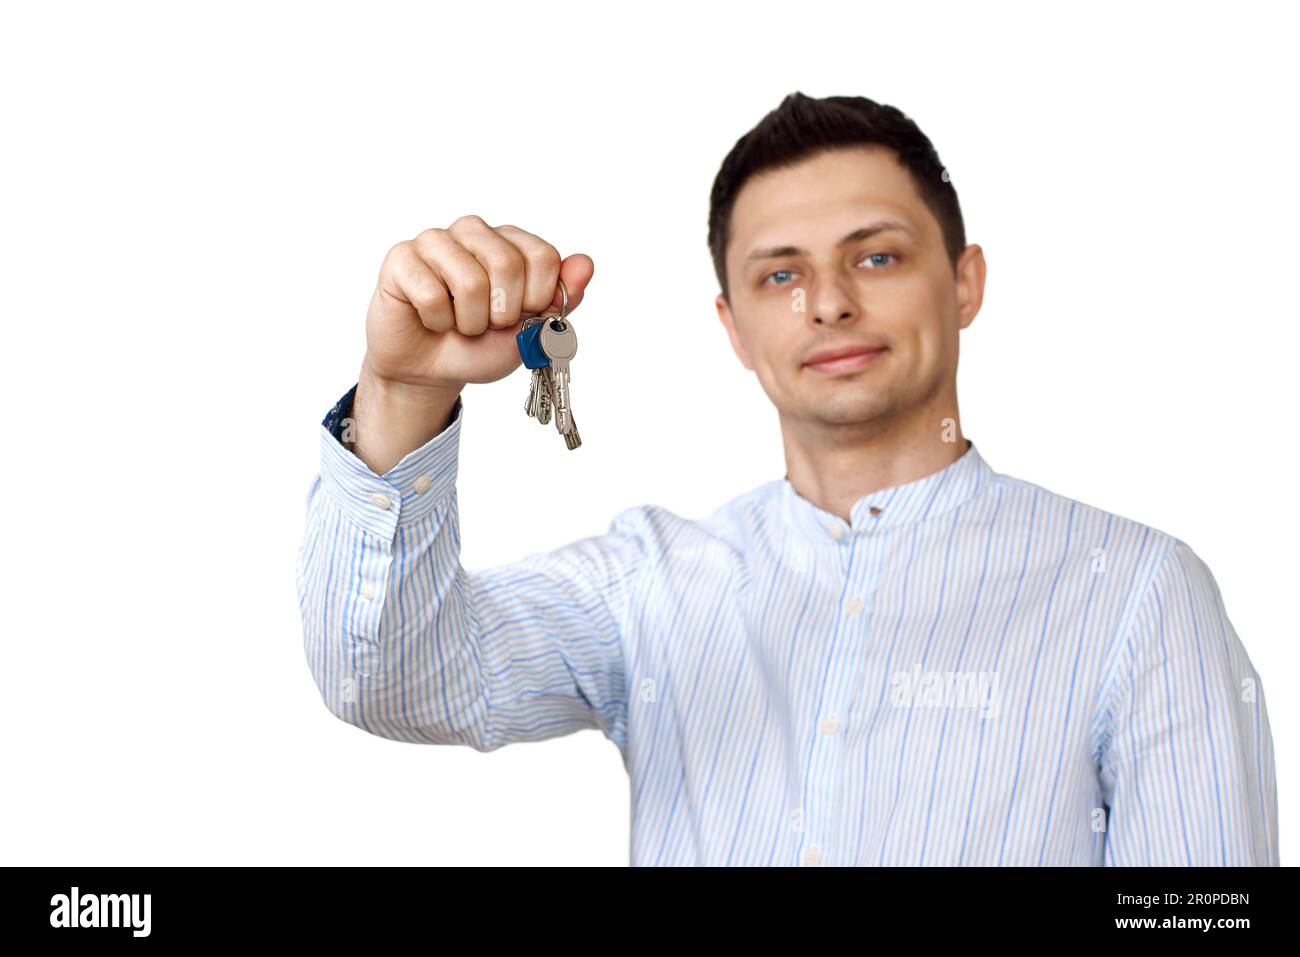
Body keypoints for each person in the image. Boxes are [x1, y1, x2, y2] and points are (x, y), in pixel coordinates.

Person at [295, 91, 1278, 866]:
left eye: (878, 255)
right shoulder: (652, 584)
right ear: (732, 328)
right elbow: (385, 678)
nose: (829, 304)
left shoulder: (1135, 593)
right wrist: (404, 392)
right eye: (779, 274)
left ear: (964, 280)